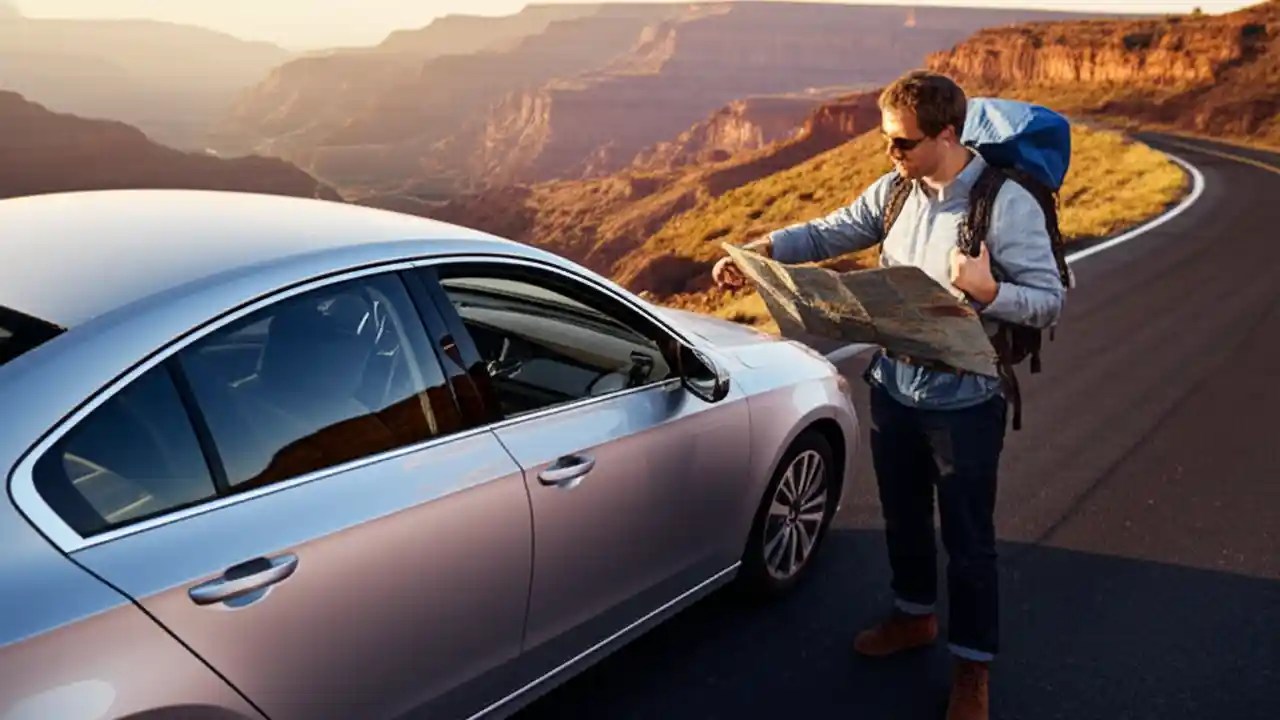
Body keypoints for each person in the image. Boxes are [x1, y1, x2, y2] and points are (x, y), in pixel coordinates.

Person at [712, 70, 1065, 720]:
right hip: (895, 389)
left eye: (902, 143)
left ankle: (972, 667)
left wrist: (990, 293)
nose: (889, 153)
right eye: (885, 140)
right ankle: (914, 617)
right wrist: (762, 249)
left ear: (947, 135)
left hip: (964, 402)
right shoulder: (895, 190)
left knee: (969, 541)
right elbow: (831, 231)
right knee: (903, 519)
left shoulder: (1006, 203)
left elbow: (1048, 300)